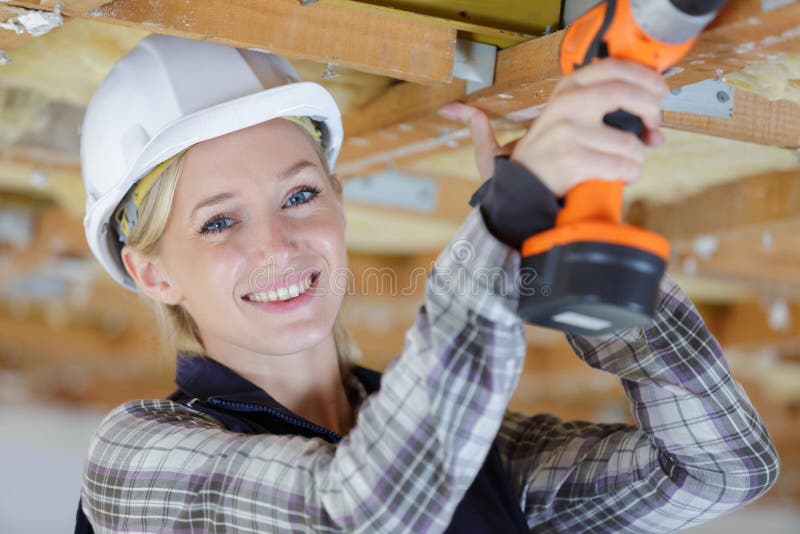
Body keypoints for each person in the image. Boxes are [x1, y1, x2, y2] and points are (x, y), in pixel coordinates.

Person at [75, 33, 778, 533]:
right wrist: (502, 224)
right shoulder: (134, 464)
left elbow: (719, 468)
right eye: (219, 223)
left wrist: (566, 242)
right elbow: (362, 515)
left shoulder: (472, 454)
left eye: (298, 197)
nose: (279, 246)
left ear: (339, 202)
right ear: (151, 271)